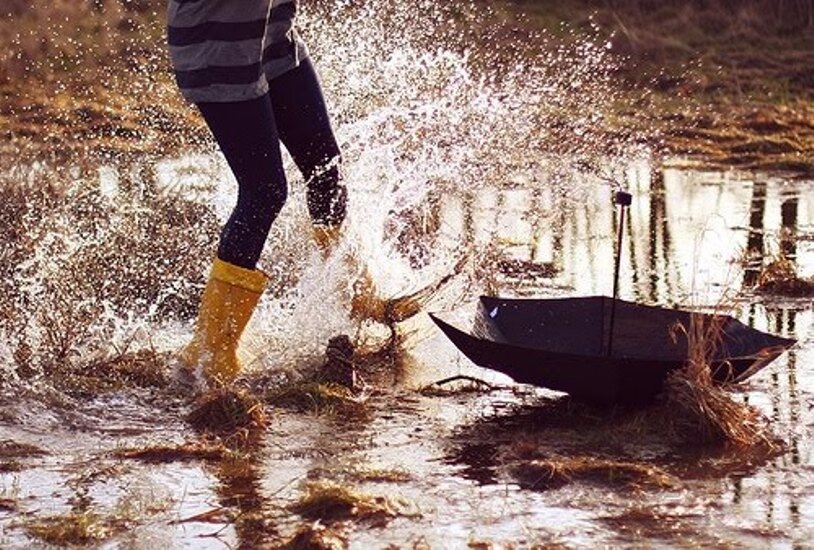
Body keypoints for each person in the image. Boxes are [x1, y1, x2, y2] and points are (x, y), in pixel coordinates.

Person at [167, 0, 348, 386]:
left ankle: (351, 293)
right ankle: (210, 352)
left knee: (326, 169)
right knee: (264, 190)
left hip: (270, 35)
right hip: (217, 42)